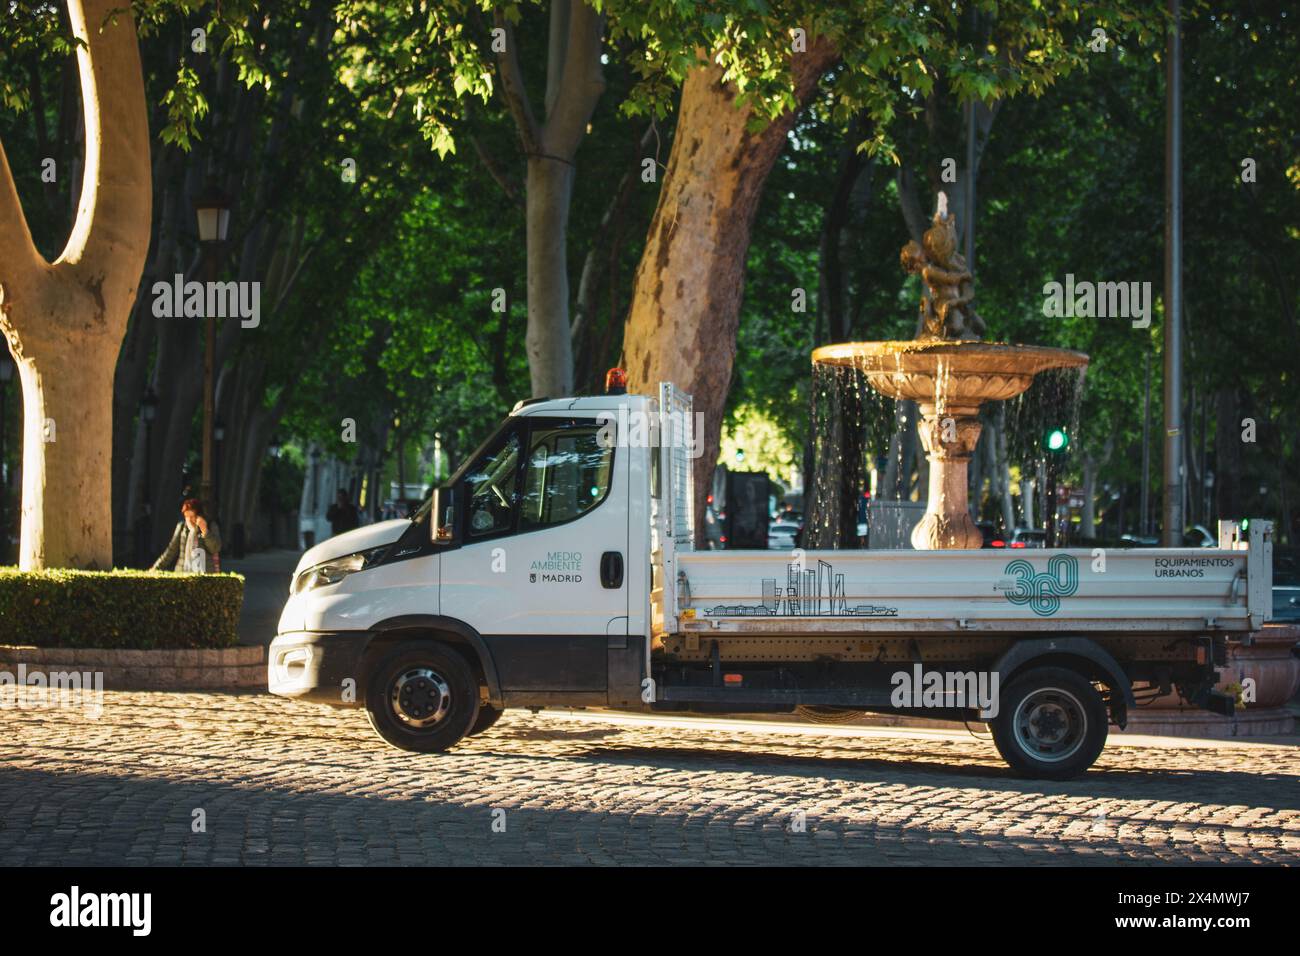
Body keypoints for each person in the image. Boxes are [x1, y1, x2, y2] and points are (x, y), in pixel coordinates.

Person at [151, 498, 222, 573]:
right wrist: (156, 567)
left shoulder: (210, 525)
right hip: (183, 571)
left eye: (192, 516)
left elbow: (215, 548)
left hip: (204, 573)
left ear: (199, 515)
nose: (189, 520)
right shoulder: (182, 527)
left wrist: (204, 530)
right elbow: (171, 550)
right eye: (186, 516)